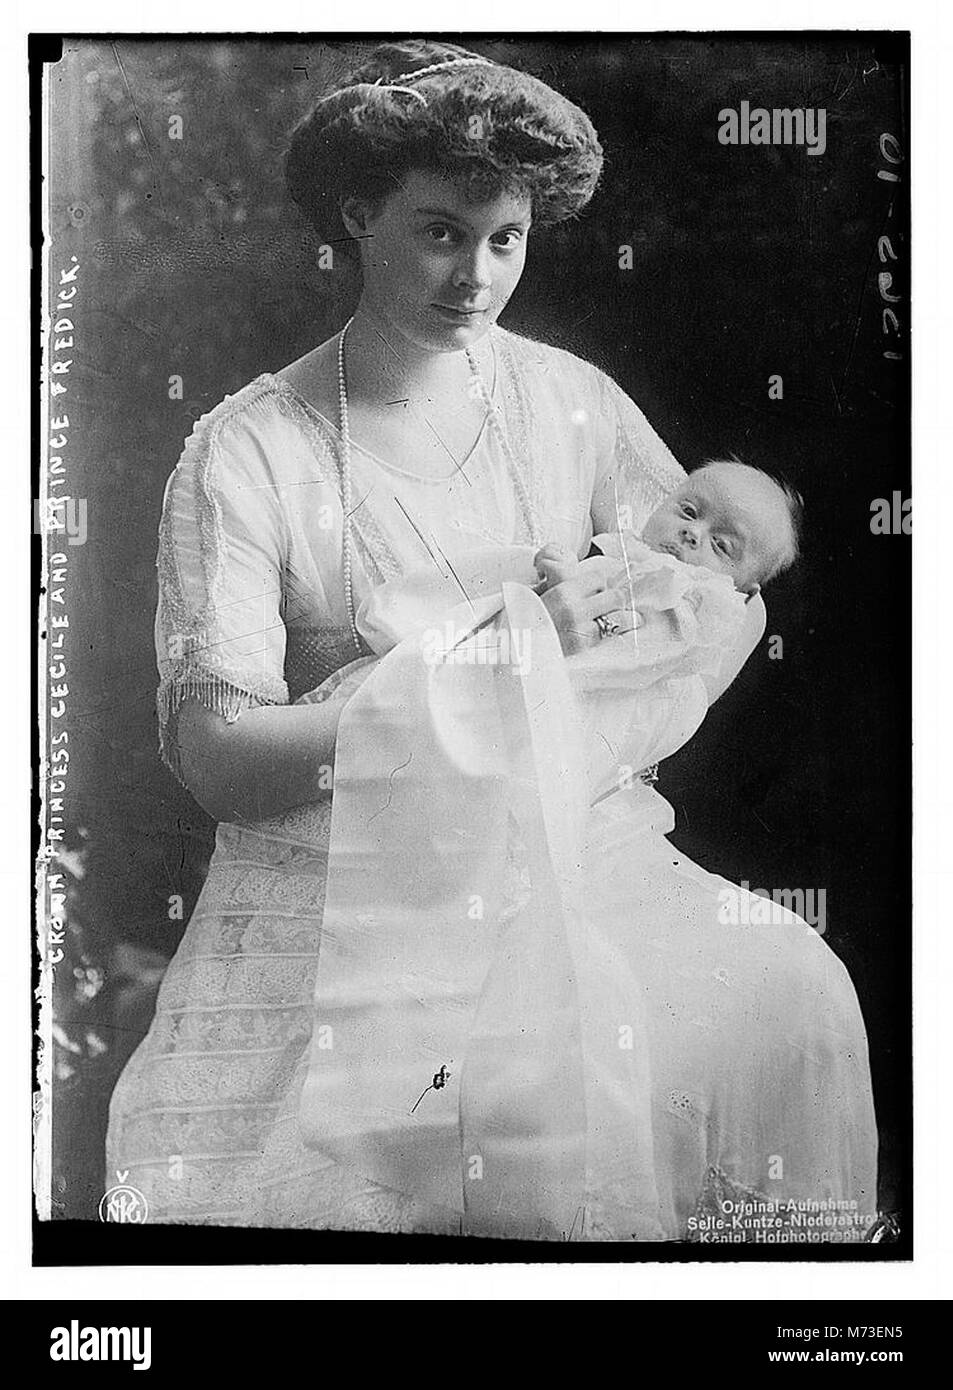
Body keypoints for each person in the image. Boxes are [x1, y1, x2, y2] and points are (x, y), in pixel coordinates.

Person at [106, 39, 877, 1238]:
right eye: (438, 231)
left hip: (573, 853)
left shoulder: (567, 398)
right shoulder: (246, 451)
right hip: (341, 888)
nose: (475, 275)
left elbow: (713, 597)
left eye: (504, 240)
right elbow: (211, 754)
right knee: (518, 1097)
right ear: (358, 213)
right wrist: (485, 672)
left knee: (793, 989)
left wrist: (586, 709)